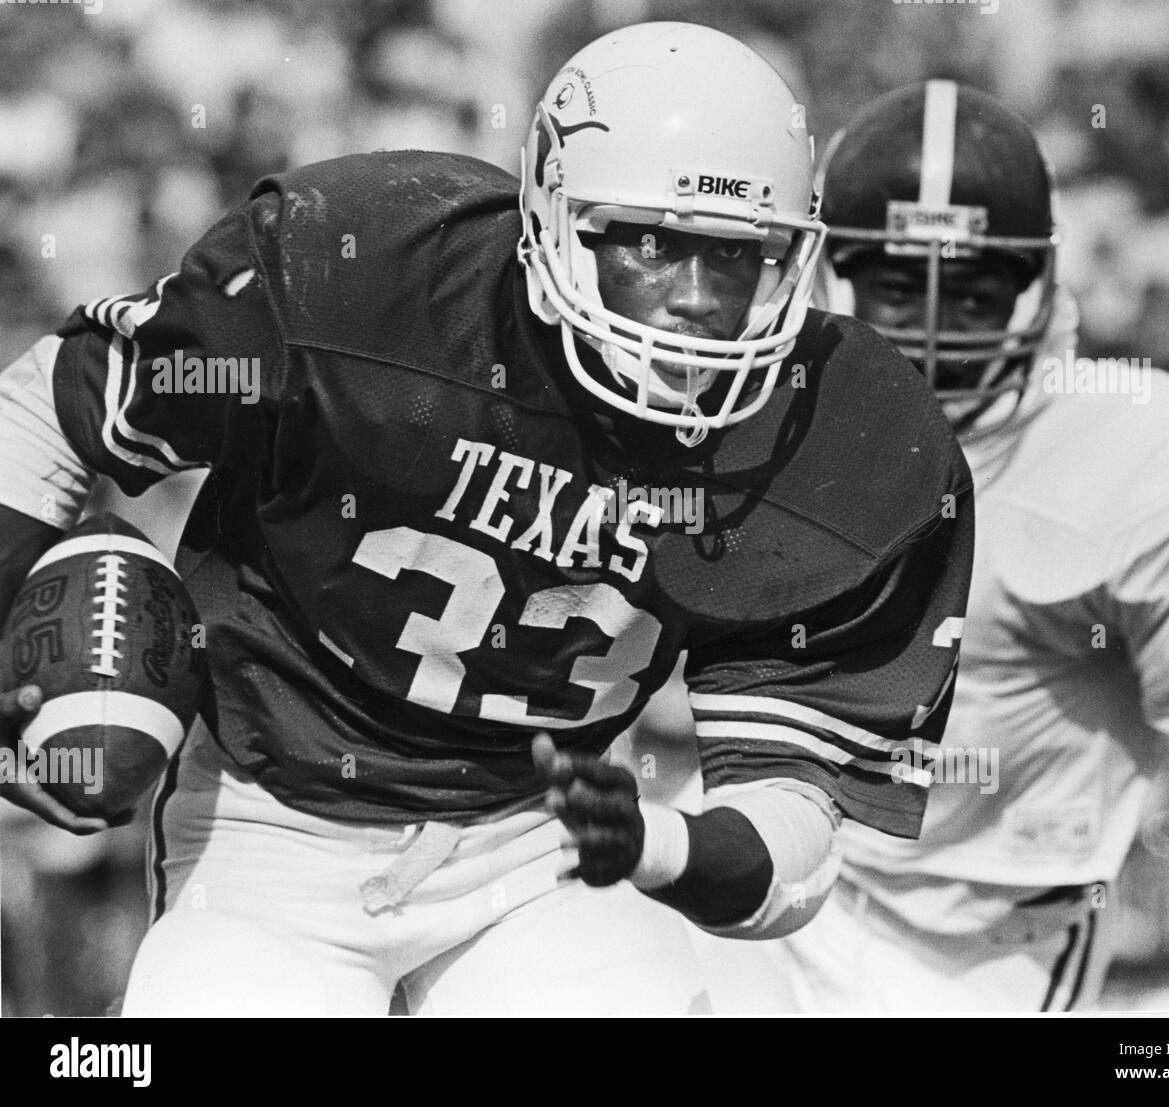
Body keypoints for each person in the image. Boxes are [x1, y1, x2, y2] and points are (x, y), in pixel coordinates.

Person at [0, 25, 972, 1016]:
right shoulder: (361, 279)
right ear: (548, 218)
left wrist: (656, 844)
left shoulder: (845, 439)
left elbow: (793, 845)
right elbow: (56, 404)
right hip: (270, 819)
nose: (689, 299)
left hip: (537, 837)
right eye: (646, 244)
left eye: (731, 258)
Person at [701, 79, 1169, 1014]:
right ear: (821, 270)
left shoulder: (1128, 462)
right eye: (899, 282)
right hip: (748, 893)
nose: (934, 328)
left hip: (982, 949)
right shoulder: (727, 421)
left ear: (1040, 287)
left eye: (974, 289)